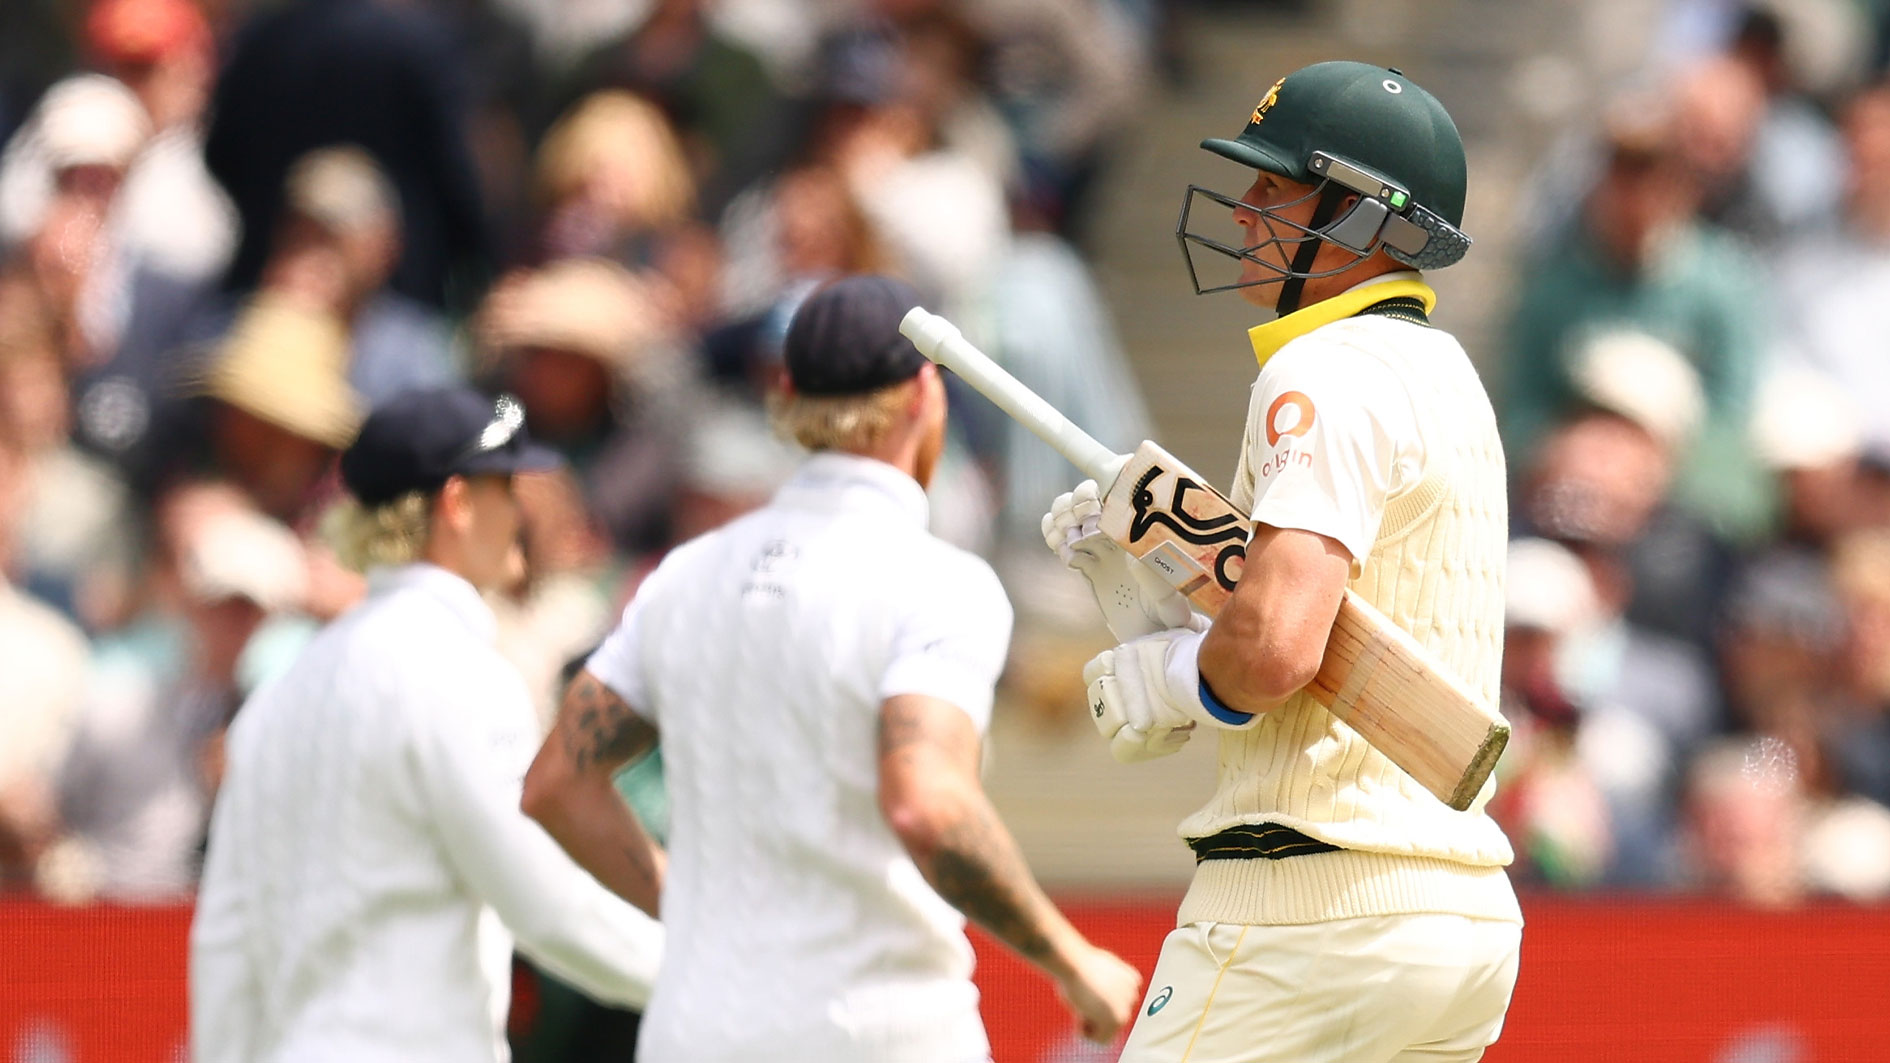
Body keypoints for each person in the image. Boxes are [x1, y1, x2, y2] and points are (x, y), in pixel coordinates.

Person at [520, 274, 1141, 1062]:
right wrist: (1071, 958)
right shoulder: (939, 582)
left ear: (787, 398)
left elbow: (556, 784)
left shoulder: (683, 575)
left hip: (695, 1027)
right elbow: (929, 804)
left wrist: (688, 908)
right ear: (926, 394)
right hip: (874, 1028)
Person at [1048, 61, 1523, 1061]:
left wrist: (1173, 678)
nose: (1246, 207)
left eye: (1277, 184)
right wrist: (1154, 596)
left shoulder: (1323, 370)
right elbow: (1329, 615)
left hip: (1309, 907)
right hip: (1462, 920)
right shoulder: (1448, 374)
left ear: (1362, 216)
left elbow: (1273, 650)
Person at [189, 386, 663, 1063]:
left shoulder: (278, 693)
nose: (521, 513)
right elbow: (547, 905)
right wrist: (704, 977)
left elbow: (226, 943)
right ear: (458, 504)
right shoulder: (459, 672)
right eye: (506, 488)